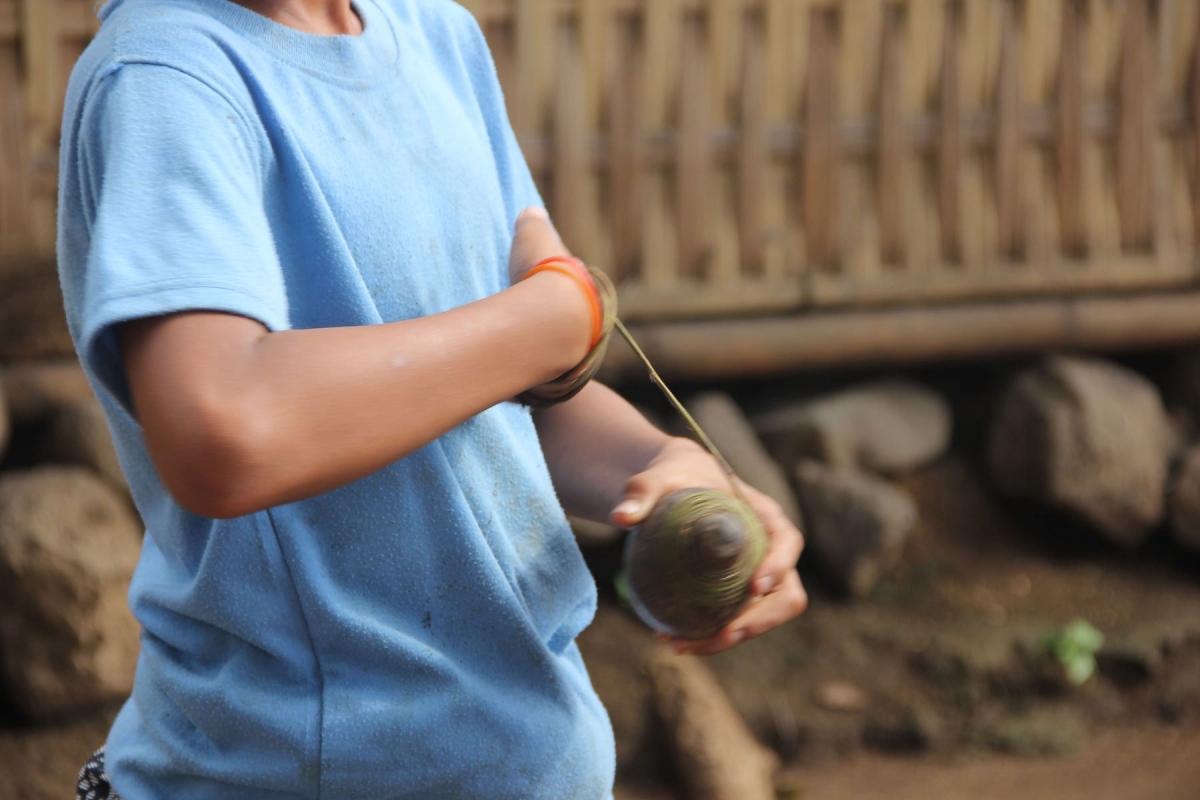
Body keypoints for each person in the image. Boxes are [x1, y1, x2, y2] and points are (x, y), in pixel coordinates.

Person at [59, 0, 807, 797]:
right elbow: (223, 429)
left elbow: (504, 392)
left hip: (535, 759)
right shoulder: (168, 75)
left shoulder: (437, 35)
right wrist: (548, 318)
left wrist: (664, 464)